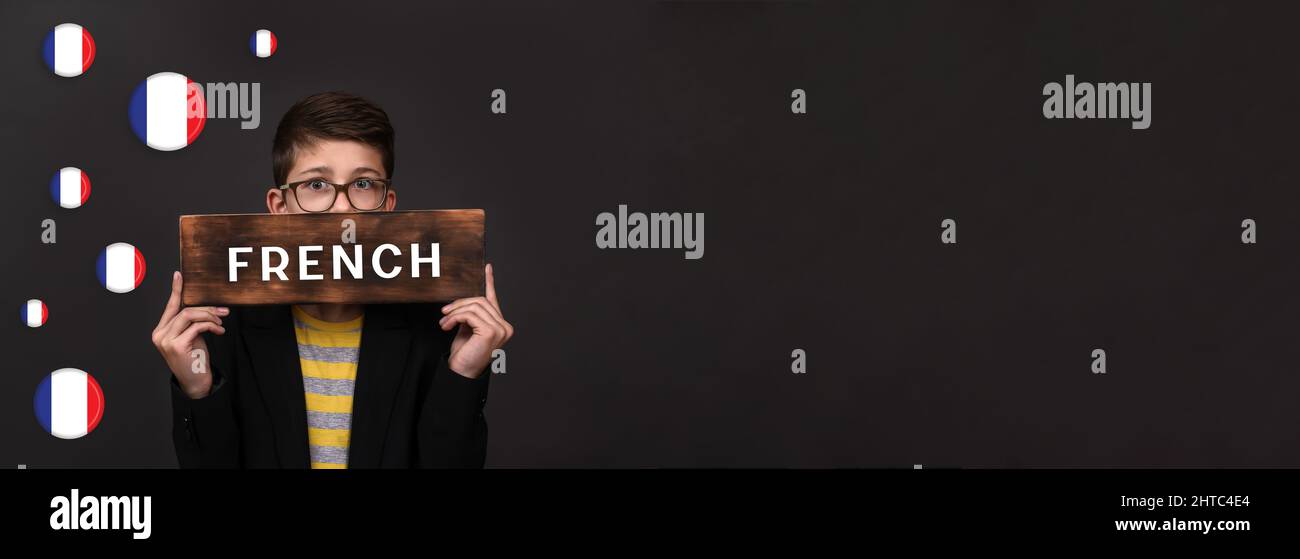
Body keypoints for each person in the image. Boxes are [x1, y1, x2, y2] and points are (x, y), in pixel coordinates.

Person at [151, 92, 513, 468]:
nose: (342, 208)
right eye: (317, 185)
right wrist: (198, 389)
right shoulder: (224, 331)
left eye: (362, 184)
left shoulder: (436, 328)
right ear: (279, 208)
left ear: (387, 205)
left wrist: (463, 374)